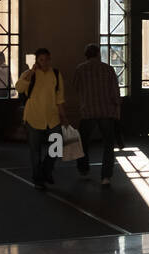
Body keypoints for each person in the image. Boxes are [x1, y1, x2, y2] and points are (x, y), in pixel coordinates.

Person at [15, 49, 68, 190]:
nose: (44, 63)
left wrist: (64, 116)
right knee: (35, 150)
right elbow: (19, 88)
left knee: (56, 147)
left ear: (50, 59)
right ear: (37, 61)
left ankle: (46, 170)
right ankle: (38, 178)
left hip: (52, 117)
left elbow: (60, 97)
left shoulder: (56, 74)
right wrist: (31, 72)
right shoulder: (29, 74)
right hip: (34, 116)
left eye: (46, 59)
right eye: (41, 60)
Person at [74, 44, 121, 185]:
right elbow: (115, 91)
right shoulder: (108, 69)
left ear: (86, 55)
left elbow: (76, 87)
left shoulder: (80, 69)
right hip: (106, 111)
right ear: (98, 54)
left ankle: (83, 168)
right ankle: (106, 176)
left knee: (82, 142)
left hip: (87, 111)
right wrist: (117, 109)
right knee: (108, 144)